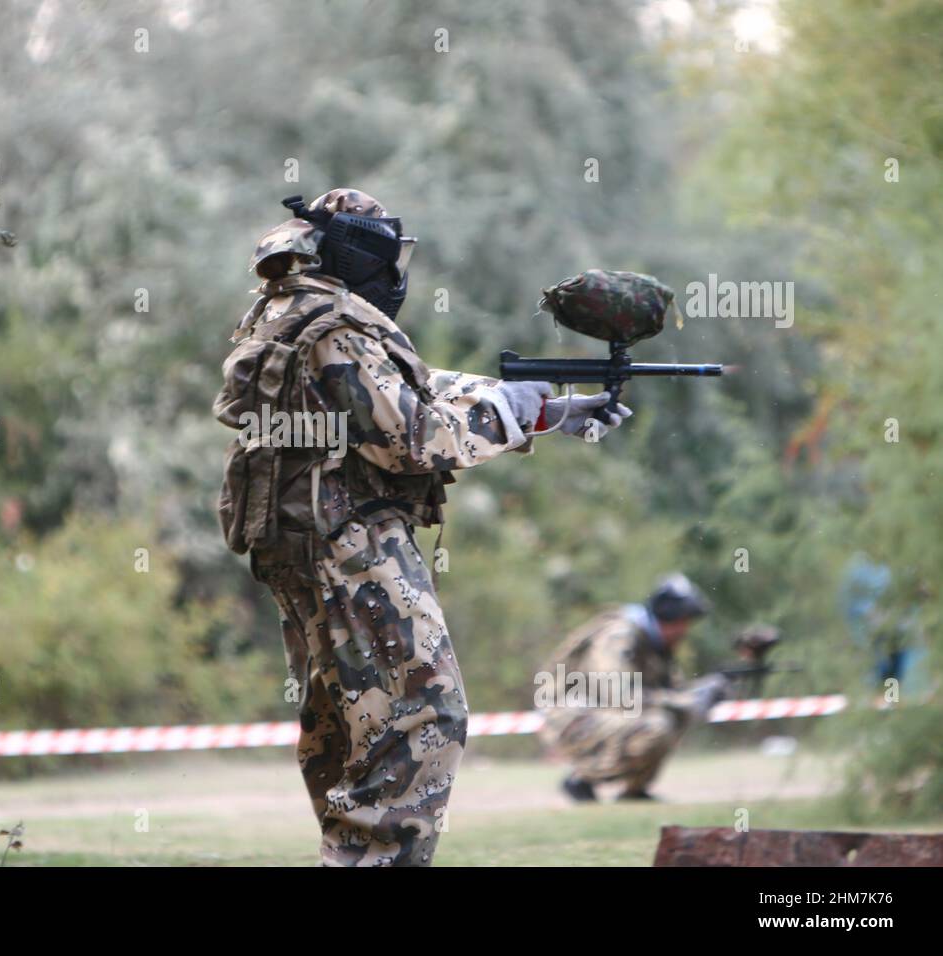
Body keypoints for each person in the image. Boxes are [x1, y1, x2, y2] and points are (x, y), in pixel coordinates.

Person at [213, 188, 630, 865]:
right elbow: (411, 437)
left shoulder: (291, 312)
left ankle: (351, 857)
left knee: (349, 727)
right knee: (422, 715)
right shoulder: (337, 324)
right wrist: (512, 412)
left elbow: (409, 389)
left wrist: (544, 410)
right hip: (350, 541)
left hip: (307, 541)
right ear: (359, 249)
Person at [537, 573, 727, 802]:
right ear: (668, 618)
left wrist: (705, 690)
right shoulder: (619, 634)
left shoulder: (655, 645)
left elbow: (672, 692)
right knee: (657, 726)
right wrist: (685, 701)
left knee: (674, 716)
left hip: (602, 715)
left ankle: (634, 791)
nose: (684, 630)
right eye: (682, 622)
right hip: (573, 719)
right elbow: (619, 695)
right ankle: (582, 779)